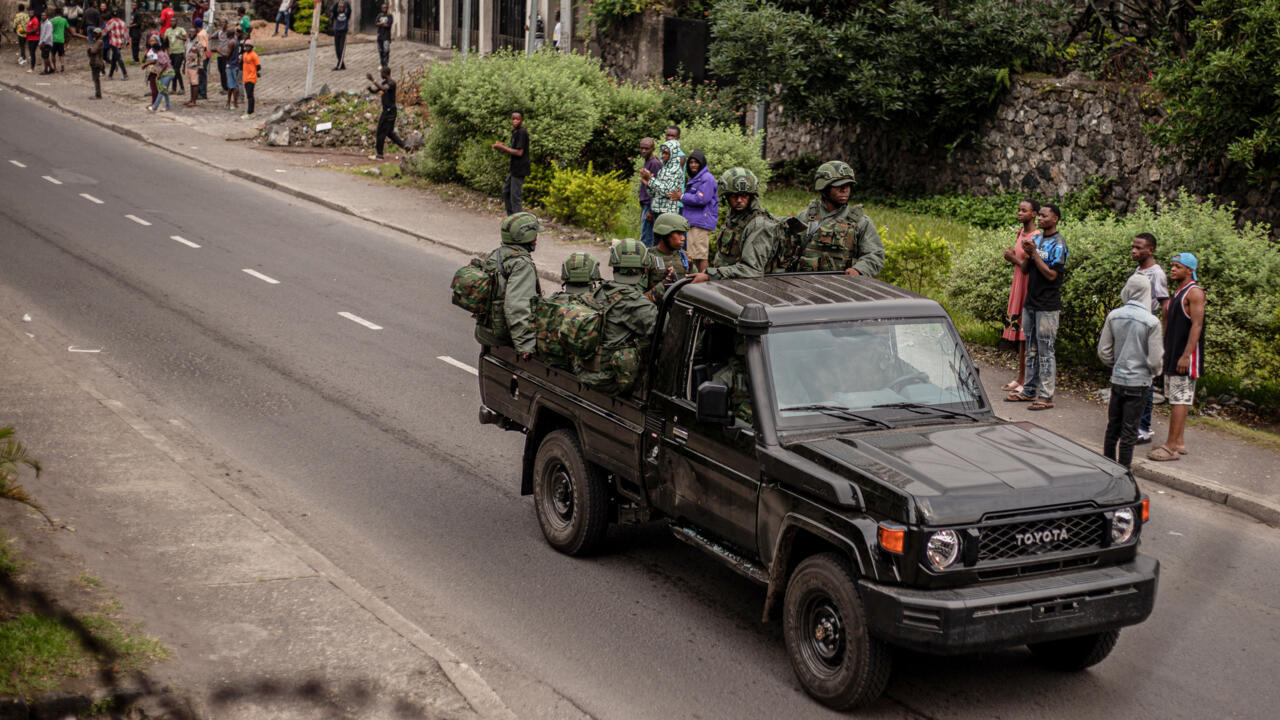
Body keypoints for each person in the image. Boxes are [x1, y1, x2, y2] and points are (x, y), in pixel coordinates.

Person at [576, 239, 659, 395]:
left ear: (614, 265)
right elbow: (667, 332)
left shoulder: (601, 290)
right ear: (644, 269)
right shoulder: (637, 304)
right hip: (608, 380)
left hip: (583, 370)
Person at [1098, 274, 1164, 469]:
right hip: (1140, 383)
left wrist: (1116, 365)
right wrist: (1153, 373)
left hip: (1118, 379)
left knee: (1113, 428)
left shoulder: (1114, 315)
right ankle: (1124, 473)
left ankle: (1108, 468)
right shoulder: (1152, 322)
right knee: (1129, 433)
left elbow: (1103, 351)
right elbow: (1154, 359)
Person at [1006, 203, 1067, 411]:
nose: (1040, 218)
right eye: (1039, 215)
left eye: (1044, 216)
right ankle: (1029, 390)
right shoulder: (1036, 240)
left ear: (1055, 219)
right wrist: (1021, 256)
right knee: (1030, 349)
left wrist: (1035, 255)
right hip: (1030, 302)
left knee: (1045, 351)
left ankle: (1046, 395)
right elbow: (1025, 268)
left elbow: (1051, 275)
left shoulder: (1058, 245)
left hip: (1047, 305)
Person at [779, 161, 884, 277]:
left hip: (843, 287)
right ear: (824, 188)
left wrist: (859, 270)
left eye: (848, 185)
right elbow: (786, 251)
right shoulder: (805, 217)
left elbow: (874, 255)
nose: (845, 189)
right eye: (839, 185)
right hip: (805, 284)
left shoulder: (861, 222)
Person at [1148, 252, 1205, 462]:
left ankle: (1170, 447)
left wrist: (1186, 355)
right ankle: (1179, 442)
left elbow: (1197, 325)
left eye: (1177, 266)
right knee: (1175, 397)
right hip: (1172, 352)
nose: (1172, 269)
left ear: (1189, 270)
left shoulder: (1195, 292)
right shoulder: (1178, 291)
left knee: (1180, 399)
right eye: (1172, 266)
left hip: (1184, 354)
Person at [475, 212, 544, 361]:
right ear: (525, 236)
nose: (537, 238)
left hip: (486, 331)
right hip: (504, 336)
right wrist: (525, 345)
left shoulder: (497, 254)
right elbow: (517, 305)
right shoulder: (521, 264)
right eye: (535, 234)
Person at [689, 168, 778, 282]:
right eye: (734, 196)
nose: (739, 200)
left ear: (751, 196)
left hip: (747, 286)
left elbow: (752, 270)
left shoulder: (759, 224)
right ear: (726, 197)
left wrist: (711, 275)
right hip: (729, 281)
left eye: (744, 195)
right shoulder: (735, 216)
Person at [1130, 232, 1170, 444]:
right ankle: (1132, 423)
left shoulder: (1156, 273)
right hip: (1134, 327)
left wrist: (1160, 335)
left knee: (1146, 378)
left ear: (1150, 250)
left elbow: (1164, 304)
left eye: (1139, 248)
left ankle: (1144, 427)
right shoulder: (1139, 270)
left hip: (1148, 325)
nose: (1134, 251)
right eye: (1133, 247)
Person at [1001, 198, 1040, 395]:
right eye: (1018, 210)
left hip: (1027, 287)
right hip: (1018, 285)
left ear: (1034, 214)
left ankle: (1027, 380)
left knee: (1027, 336)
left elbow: (1027, 267)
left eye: (1024, 210)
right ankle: (1020, 377)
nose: (1019, 213)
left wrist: (1011, 258)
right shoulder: (1020, 233)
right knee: (1020, 337)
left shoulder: (1036, 236)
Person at [536, 252, 601, 370]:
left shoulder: (549, 303)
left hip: (547, 364)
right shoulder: (596, 309)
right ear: (594, 275)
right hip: (576, 369)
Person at [676, 149, 717, 272]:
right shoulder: (696, 178)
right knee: (694, 255)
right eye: (691, 162)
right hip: (694, 222)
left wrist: (682, 197)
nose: (693, 165)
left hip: (700, 222)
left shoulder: (707, 178)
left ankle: (703, 283)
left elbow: (702, 199)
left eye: (696, 162)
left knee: (700, 257)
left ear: (702, 163)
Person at [639, 139, 683, 238]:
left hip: (668, 213)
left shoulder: (676, 171)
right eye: (662, 153)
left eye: (666, 153)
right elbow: (655, 193)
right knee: (656, 243)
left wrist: (651, 180)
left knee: (666, 243)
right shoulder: (663, 170)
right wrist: (647, 184)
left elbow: (669, 192)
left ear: (674, 154)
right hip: (658, 212)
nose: (663, 156)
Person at [644, 212, 691, 303]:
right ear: (665, 234)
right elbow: (639, 300)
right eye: (678, 233)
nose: (683, 238)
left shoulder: (685, 257)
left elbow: (695, 284)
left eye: (683, 234)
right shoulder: (647, 258)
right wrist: (665, 283)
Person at [492, 110, 530, 215]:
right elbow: (512, 151)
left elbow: (519, 153)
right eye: (513, 119)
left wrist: (503, 148)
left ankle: (518, 224)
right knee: (506, 192)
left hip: (520, 169)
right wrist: (501, 147)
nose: (515, 121)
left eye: (517, 119)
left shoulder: (522, 132)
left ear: (522, 120)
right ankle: (511, 218)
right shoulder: (515, 132)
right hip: (514, 168)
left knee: (515, 198)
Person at [366, 67, 406, 159]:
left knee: (380, 132)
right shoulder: (385, 83)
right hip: (389, 111)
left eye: (381, 73)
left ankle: (379, 154)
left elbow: (383, 88)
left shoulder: (392, 83)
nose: (380, 75)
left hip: (389, 112)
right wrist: (370, 90)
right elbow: (377, 90)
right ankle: (405, 147)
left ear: (385, 73)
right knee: (389, 133)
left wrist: (373, 79)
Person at [636, 137, 661, 248]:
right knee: (645, 237)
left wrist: (651, 210)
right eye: (642, 148)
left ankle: (647, 264)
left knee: (647, 240)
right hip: (645, 205)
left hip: (650, 206)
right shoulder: (647, 162)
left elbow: (656, 189)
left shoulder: (654, 164)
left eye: (647, 148)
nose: (643, 151)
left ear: (653, 148)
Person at [147, 44, 173, 112]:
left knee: (161, 90)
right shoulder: (162, 53)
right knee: (165, 91)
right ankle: (167, 107)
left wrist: (159, 73)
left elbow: (165, 64)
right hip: (169, 73)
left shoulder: (160, 54)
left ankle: (155, 107)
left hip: (167, 73)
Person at [164, 17, 187, 93]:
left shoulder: (181, 29)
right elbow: (165, 41)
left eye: (174, 21)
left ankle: (182, 87)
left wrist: (181, 38)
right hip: (172, 53)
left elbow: (186, 38)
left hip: (179, 52)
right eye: (171, 21)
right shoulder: (168, 30)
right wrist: (168, 51)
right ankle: (174, 89)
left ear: (176, 22)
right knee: (173, 70)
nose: (172, 23)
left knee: (176, 70)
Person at [103, 10, 127, 80]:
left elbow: (105, 31)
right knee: (114, 59)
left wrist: (98, 35)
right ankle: (110, 75)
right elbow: (126, 33)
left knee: (118, 58)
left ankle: (125, 74)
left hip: (113, 42)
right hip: (120, 42)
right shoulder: (122, 22)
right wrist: (127, 42)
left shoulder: (110, 21)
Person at [240, 39, 259, 117]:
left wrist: (254, 72)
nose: (247, 47)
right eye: (246, 46)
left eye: (249, 46)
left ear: (251, 47)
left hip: (251, 77)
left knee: (250, 95)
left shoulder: (254, 55)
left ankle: (250, 112)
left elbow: (258, 66)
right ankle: (250, 111)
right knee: (248, 95)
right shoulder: (244, 55)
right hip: (245, 77)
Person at [329, 0, 351, 70]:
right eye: (339, 7)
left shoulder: (346, 15)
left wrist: (346, 2)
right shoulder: (336, 14)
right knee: (337, 49)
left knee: (341, 49)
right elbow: (333, 9)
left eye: (342, 7)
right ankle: (342, 65)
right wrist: (337, 2)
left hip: (343, 33)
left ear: (344, 8)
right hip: (337, 32)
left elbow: (350, 9)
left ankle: (339, 66)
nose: (340, 8)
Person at [224, 28, 242, 110]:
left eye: (227, 33)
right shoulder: (236, 41)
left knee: (233, 86)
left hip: (231, 65)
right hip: (236, 65)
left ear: (229, 34)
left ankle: (234, 103)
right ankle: (229, 102)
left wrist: (218, 50)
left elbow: (227, 55)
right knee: (231, 85)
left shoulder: (231, 42)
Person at [192, 16, 209, 99]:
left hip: (202, 58)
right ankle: (202, 92)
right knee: (202, 75)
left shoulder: (200, 34)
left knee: (201, 76)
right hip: (205, 56)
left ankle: (202, 93)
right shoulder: (204, 32)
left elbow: (203, 46)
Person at [212, 18, 230, 93]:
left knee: (227, 71)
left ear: (227, 23)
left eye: (223, 22)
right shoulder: (219, 32)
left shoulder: (229, 32)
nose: (222, 24)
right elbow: (211, 37)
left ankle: (229, 87)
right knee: (221, 71)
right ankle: (224, 87)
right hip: (219, 55)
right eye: (221, 23)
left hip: (227, 54)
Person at [85, 31, 105, 98]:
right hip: (95, 62)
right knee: (95, 79)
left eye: (95, 33)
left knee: (96, 79)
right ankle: (97, 94)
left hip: (97, 62)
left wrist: (90, 49)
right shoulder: (97, 41)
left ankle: (98, 95)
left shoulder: (99, 42)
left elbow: (93, 51)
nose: (94, 34)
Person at [48, 6, 66, 73]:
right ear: (61, 13)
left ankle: (55, 67)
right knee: (61, 54)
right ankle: (62, 65)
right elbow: (67, 28)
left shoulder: (51, 20)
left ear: (55, 13)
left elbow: (49, 30)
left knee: (53, 54)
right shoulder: (64, 20)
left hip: (53, 40)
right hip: (61, 39)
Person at [375, 2, 392, 68]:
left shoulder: (389, 16)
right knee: (380, 51)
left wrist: (381, 24)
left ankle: (386, 63)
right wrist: (382, 24)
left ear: (387, 8)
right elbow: (376, 23)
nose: (384, 9)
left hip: (387, 36)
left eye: (385, 7)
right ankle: (382, 63)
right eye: (383, 7)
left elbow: (388, 25)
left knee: (386, 50)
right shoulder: (379, 15)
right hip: (380, 36)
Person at [38, 11, 53, 75]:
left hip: (47, 42)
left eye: (44, 15)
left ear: (47, 16)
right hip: (42, 42)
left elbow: (48, 34)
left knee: (45, 57)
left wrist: (43, 42)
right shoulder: (42, 23)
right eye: (42, 15)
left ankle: (46, 70)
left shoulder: (48, 24)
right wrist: (40, 42)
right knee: (45, 57)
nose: (43, 16)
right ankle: (50, 69)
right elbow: (42, 34)